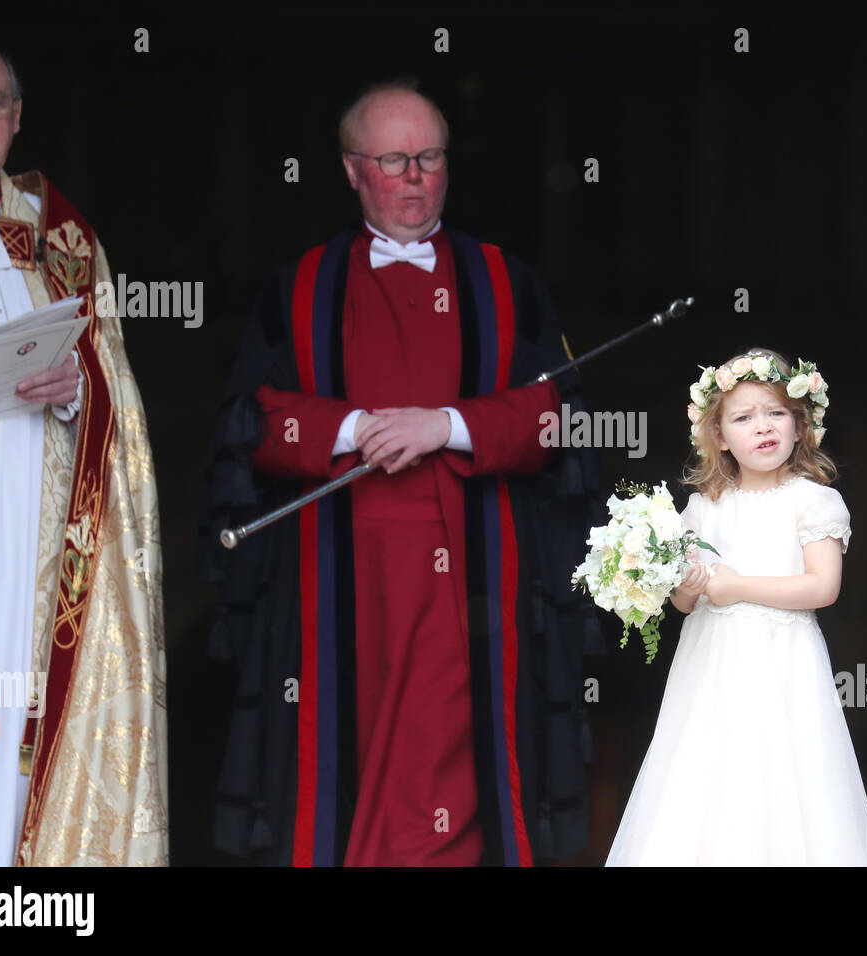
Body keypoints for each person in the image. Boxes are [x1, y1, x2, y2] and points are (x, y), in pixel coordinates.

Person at [202, 79, 602, 866]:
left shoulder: (506, 282)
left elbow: (558, 415)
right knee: (346, 760)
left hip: (475, 575)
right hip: (339, 578)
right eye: (393, 159)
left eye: (429, 157)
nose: (415, 176)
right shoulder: (298, 288)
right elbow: (249, 422)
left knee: (454, 759)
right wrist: (352, 427)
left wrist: (445, 424)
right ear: (353, 170)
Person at [0, 39, 166, 865]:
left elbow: (119, 398)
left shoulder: (60, 234)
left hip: (38, 570)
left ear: (17, 116)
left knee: (18, 749)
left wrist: (76, 389)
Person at [605, 348, 867, 865]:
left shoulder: (812, 500)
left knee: (782, 773)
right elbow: (686, 603)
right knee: (709, 773)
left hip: (784, 660)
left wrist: (737, 587)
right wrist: (683, 582)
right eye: (743, 417)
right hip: (712, 664)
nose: (762, 427)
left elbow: (822, 587)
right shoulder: (703, 505)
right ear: (718, 436)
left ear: (801, 427)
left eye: (776, 412)